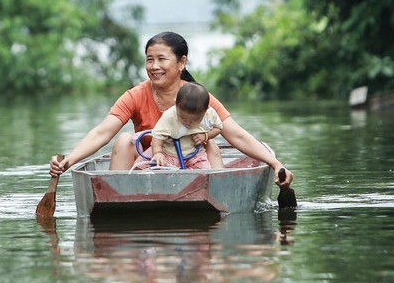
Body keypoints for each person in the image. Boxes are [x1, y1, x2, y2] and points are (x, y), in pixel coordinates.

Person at [48, 31, 294, 190]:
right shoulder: (136, 95)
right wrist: (69, 160)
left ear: (182, 62)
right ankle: (121, 200)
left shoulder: (198, 97)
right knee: (123, 140)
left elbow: (237, 135)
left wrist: (275, 164)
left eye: (162, 59)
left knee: (212, 144)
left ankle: (217, 198)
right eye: (149, 59)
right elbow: (102, 133)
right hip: (150, 167)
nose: (154, 66)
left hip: (191, 165)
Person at [148, 81, 223, 169]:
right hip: (170, 154)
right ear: (176, 105)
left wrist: (206, 136)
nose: (188, 122)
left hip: (196, 154)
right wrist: (158, 153)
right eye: (182, 117)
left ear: (206, 110)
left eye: (194, 120)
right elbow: (157, 135)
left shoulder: (209, 114)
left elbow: (218, 128)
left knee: (204, 171)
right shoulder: (170, 116)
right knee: (159, 168)